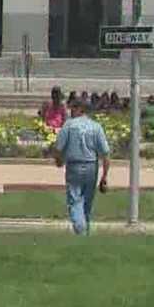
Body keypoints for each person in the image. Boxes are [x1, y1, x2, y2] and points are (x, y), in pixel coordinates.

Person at [52, 96, 111, 235]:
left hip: (74, 166)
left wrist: (59, 161)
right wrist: (105, 176)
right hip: (92, 166)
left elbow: (58, 148)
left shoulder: (69, 125)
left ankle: (81, 231)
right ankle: (85, 232)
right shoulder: (96, 126)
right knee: (87, 203)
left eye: (73, 108)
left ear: (80, 109)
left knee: (74, 200)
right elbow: (105, 154)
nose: (71, 111)